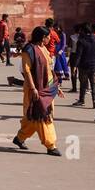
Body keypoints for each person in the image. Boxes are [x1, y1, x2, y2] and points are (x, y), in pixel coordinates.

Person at [14, 26, 62, 155]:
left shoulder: (44, 48)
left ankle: (20, 138)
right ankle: (50, 145)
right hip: (35, 89)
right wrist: (33, 88)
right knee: (43, 115)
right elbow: (27, 70)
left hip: (48, 88)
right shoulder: (29, 50)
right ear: (42, 37)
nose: (49, 40)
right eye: (48, 37)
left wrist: (57, 87)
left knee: (33, 116)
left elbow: (49, 69)